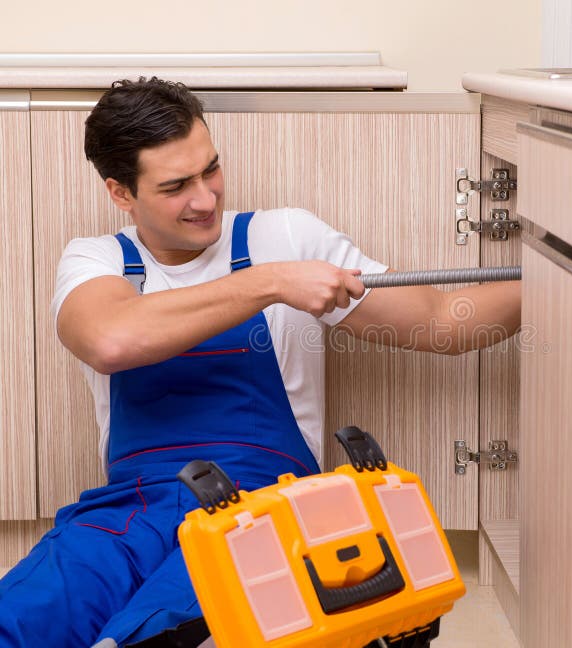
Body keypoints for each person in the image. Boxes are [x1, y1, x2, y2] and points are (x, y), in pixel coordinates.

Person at [0, 77, 520, 647]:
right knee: (25, 616)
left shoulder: (285, 235)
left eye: (211, 170)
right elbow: (109, 340)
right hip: (127, 513)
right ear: (122, 193)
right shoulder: (98, 260)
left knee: (177, 626)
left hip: (262, 512)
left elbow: (446, 321)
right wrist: (271, 282)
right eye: (176, 186)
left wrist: (559, 273)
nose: (205, 199)